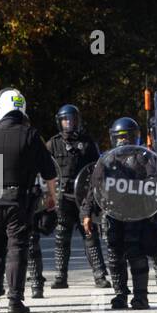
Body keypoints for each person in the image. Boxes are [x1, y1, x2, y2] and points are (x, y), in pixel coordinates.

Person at [0, 89, 57, 313]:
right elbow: (49, 173)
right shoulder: (31, 135)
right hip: (18, 201)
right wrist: (52, 197)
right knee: (17, 247)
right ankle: (15, 300)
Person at [84, 117, 157, 310]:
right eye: (120, 138)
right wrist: (87, 212)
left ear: (135, 137)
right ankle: (120, 294)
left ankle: (141, 296)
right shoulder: (107, 160)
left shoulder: (145, 158)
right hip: (113, 213)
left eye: (127, 137)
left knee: (136, 253)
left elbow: (155, 182)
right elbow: (95, 187)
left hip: (137, 212)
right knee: (115, 255)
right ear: (114, 138)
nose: (123, 142)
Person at [45, 105, 109, 289]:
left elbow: (97, 172)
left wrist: (92, 201)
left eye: (72, 119)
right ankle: (60, 276)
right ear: (60, 122)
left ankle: (99, 275)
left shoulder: (88, 143)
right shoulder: (53, 144)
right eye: (65, 120)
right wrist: (49, 196)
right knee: (61, 237)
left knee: (90, 235)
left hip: (83, 197)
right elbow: (45, 171)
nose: (69, 123)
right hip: (62, 197)